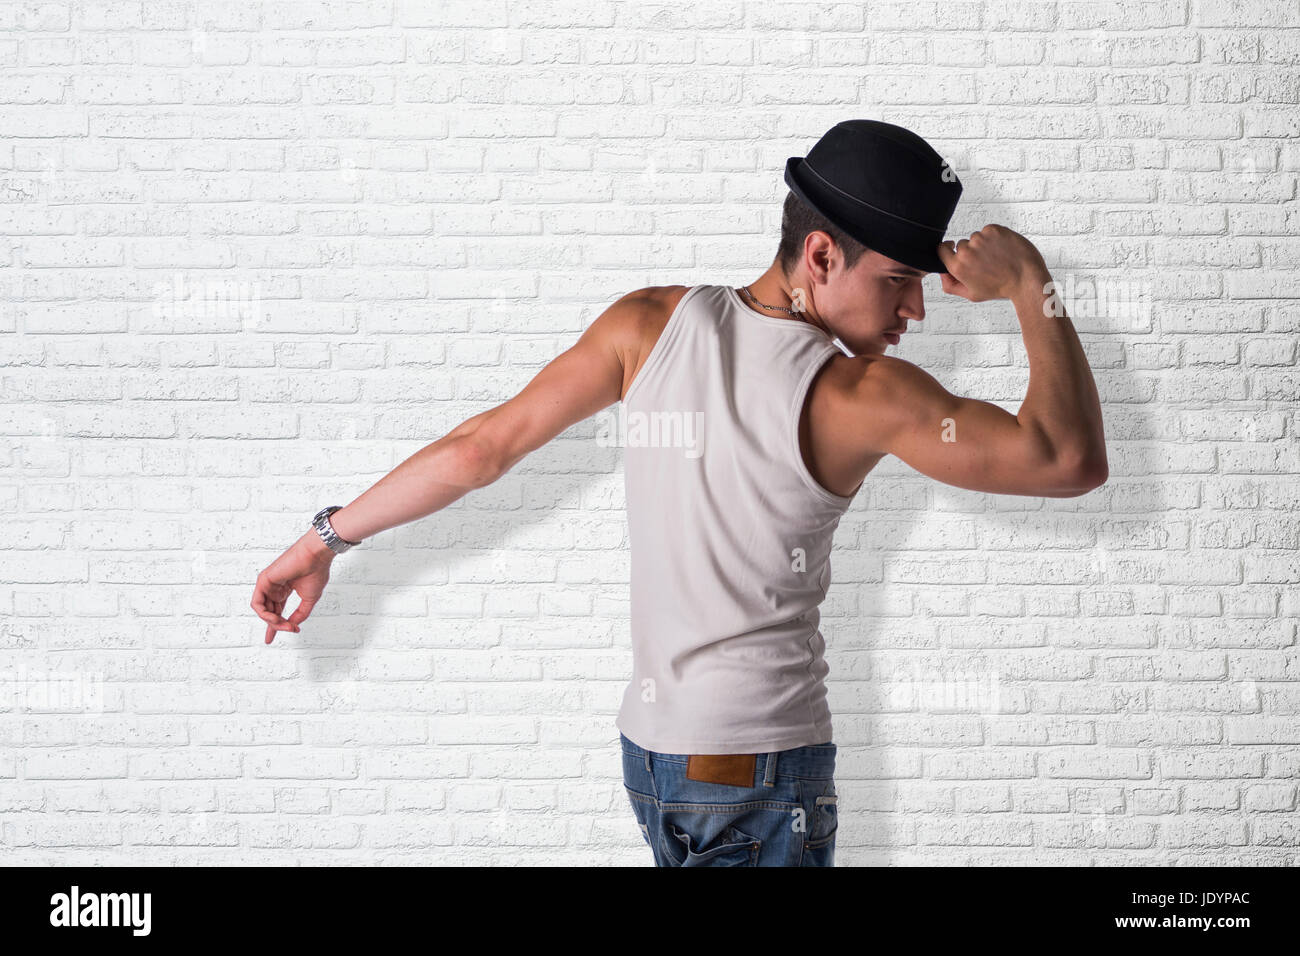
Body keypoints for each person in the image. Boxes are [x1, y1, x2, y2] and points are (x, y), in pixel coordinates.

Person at [250, 119, 1108, 866]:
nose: (916, 308)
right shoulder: (865, 396)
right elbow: (1065, 459)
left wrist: (324, 539)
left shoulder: (647, 324)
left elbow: (482, 449)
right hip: (759, 775)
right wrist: (1035, 286)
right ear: (819, 254)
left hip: (652, 761)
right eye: (898, 279)